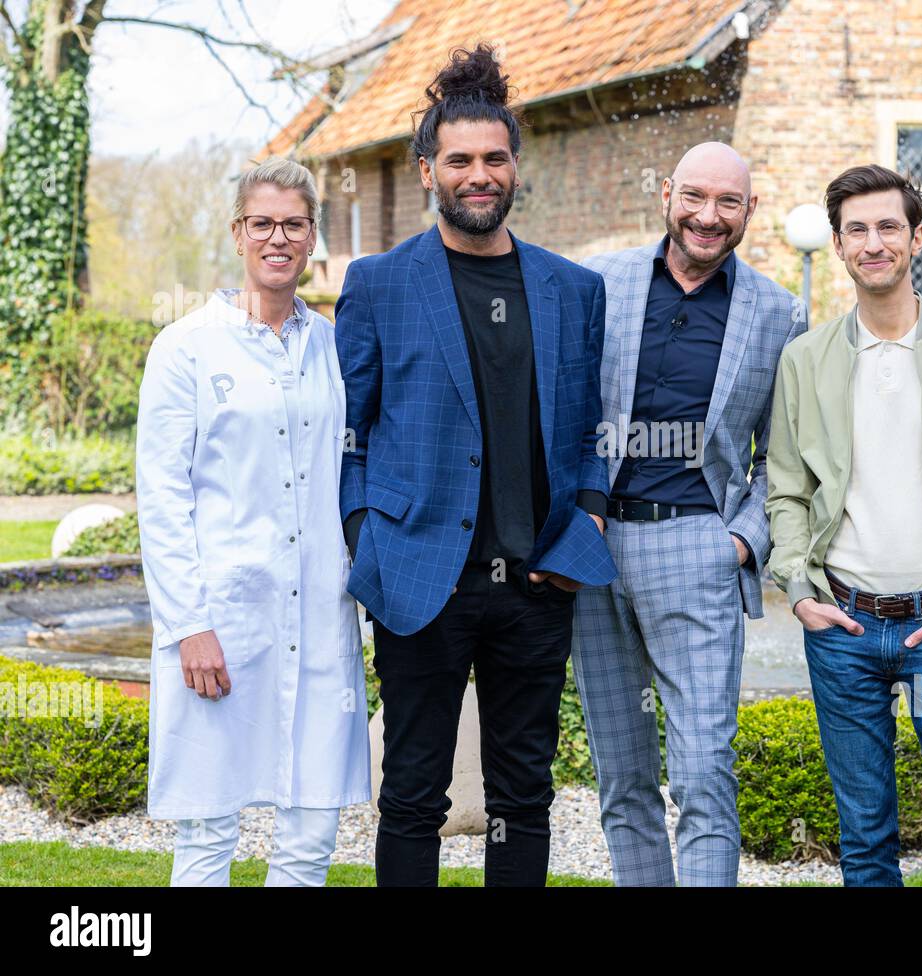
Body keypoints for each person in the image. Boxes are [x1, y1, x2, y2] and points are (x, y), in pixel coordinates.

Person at [334, 44, 615, 887]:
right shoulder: (377, 284)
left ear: (515, 167)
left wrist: (588, 525)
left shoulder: (573, 288)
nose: (480, 174)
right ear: (428, 171)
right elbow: (347, 431)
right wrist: (366, 537)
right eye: (460, 160)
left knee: (523, 795)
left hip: (536, 585)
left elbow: (595, 429)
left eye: (495, 158)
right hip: (420, 578)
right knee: (413, 793)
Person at [765, 164, 922, 886]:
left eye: (887, 228)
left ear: (917, 237)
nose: (873, 243)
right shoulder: (804, 362)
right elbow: (785, 488)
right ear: (840, 246)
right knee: (866, 838)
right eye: (857, 231)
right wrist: (799, 587)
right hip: (842, 627)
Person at [572, 142, 806, 886]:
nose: (709, 216)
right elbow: (560, 411)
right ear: (667, 193)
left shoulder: (777, 312)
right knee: (622, 774)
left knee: (704, 771)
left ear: (749, 212)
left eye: (728, 203)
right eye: (696, 197)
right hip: (593, 545)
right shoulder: (596, 285)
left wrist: (740, 542)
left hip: (697, 546)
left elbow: (787, 455)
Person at [137, 157, 370, 887]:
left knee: (309, 836)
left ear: (311, 238)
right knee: (208, 834)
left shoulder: (333, 347)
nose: (278, 238)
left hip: (319, 615)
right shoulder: (186, 348)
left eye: (293, 225)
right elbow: (162, 496)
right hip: (223, 623)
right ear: (238, 233)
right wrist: (188, 624)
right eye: (263, 223)